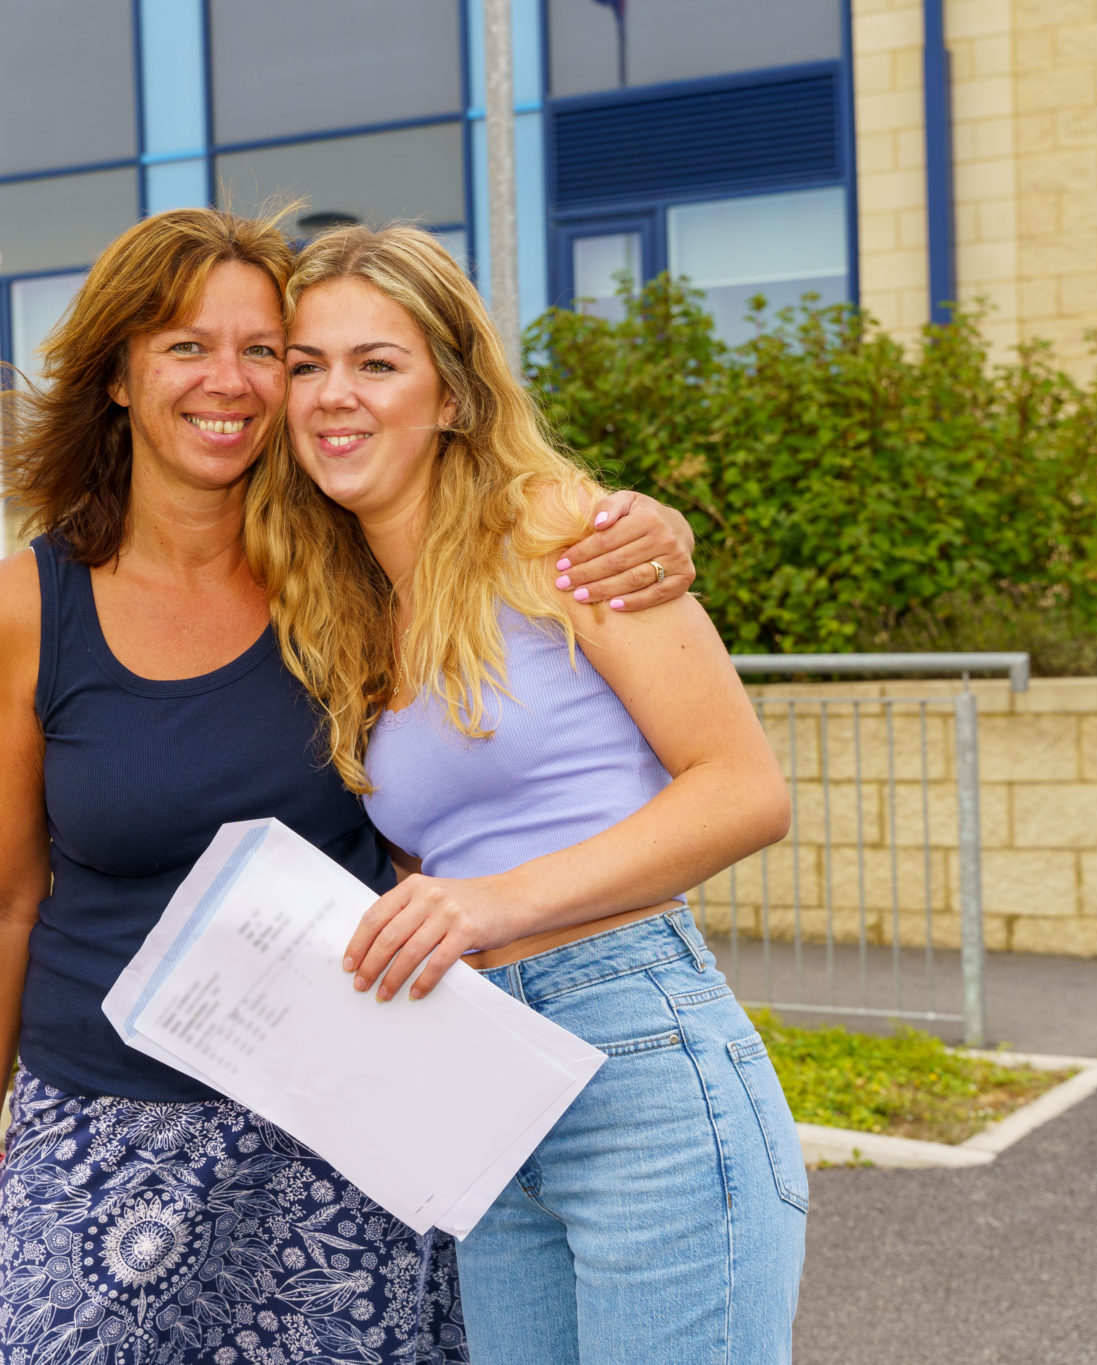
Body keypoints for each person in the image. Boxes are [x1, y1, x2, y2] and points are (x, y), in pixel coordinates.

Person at [0, 207, 701, 1364]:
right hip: (98, 1136)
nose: (228, 382)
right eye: (185, 345)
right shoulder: (25, 609)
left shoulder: (351, 573)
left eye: (262, 353)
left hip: (343, 1131)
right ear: (120, 375)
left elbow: (508, 530)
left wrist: (652, 531)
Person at [246, 224, 807, 1365]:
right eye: (305, 366)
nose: (330, 397)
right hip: (481, 1077)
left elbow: (744, 791)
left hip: (633, 1046)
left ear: (450, 394)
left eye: (375, 363)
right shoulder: (355, 609)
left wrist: (488, 903)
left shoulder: (559, 530)